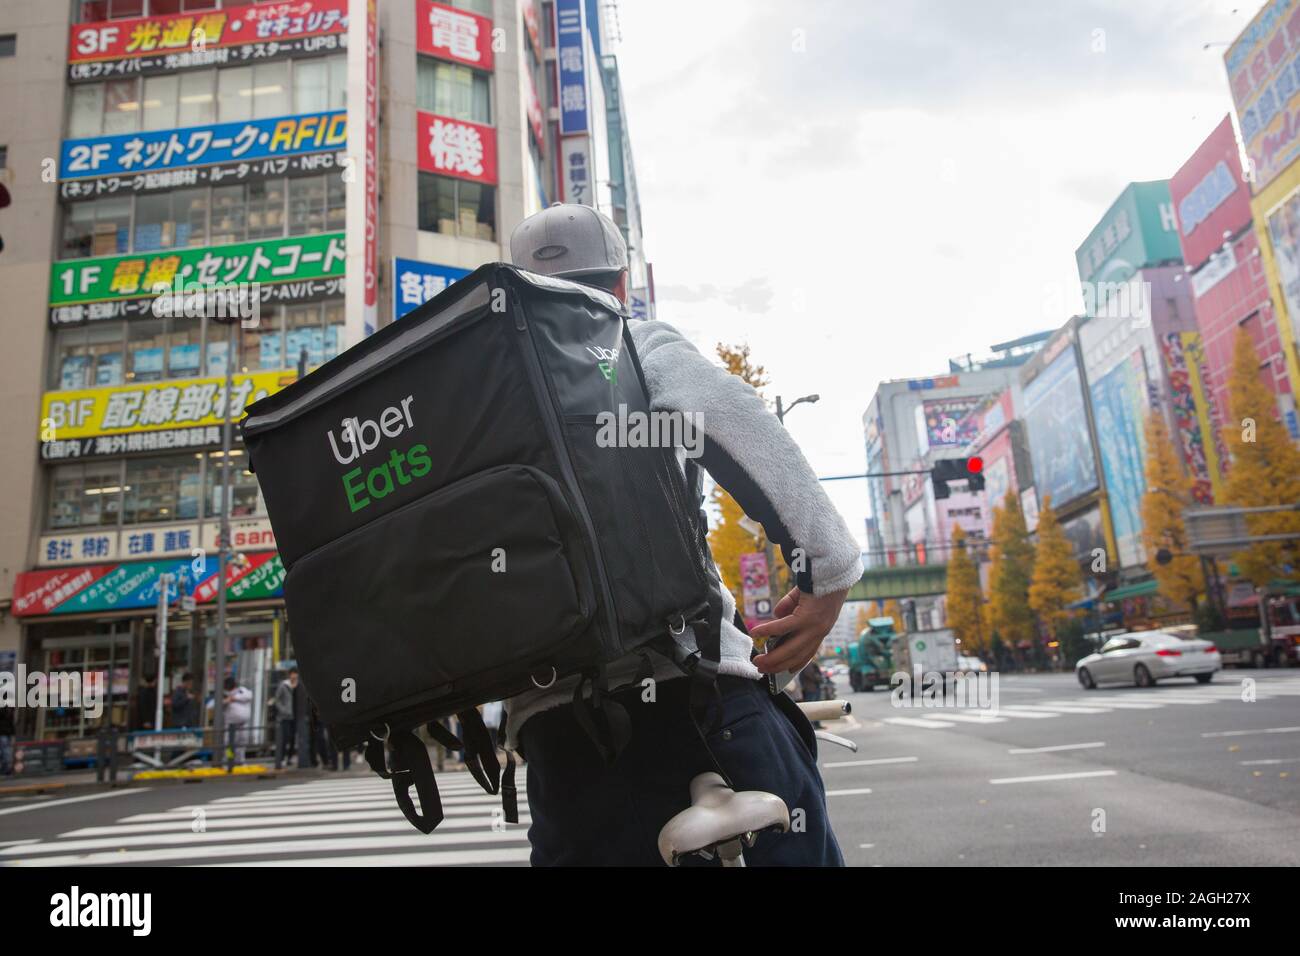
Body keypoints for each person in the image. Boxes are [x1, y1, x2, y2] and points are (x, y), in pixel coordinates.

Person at [505, 204, 863, 866]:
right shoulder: (627, 345)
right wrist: (829, 573)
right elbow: (731, 416)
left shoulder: (477, 402)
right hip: (699, 703)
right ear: (619, 287)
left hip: (558, 739)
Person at [272, 668, 299, 770]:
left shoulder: (299, 685)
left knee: (293, 738)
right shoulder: (283, 685)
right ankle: (282, 757)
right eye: (293, 674)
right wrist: (283, 710)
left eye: (295, 674)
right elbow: (277, 699)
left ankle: (290, 758)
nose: (294, 676)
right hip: (285, 716)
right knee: (285, 737)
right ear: (290, 675)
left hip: (295, 715)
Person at [222, 677, 252, 765]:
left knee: (242, 743)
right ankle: (228, 760)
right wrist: (227, 700)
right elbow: (219, 703)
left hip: (243, 724)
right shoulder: (224, 693)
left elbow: (249, 696)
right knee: (228, 744)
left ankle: (241, 760)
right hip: (231, 724)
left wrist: (234, 698)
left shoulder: (242, 690)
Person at [0, 704, 14, 776]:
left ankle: (6, 769)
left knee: (5, 751)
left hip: (4, 732)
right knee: (5, 750)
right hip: (6, 732)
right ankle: (6, 768)